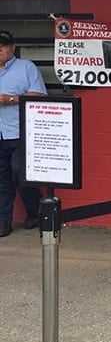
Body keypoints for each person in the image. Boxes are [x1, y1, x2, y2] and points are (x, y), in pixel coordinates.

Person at [0, 30, 48, 236]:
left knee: (21, 173)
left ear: (12, 48)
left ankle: (33, 211)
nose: (0, 50)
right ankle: (4, 222)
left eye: (3, 46)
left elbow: (40, 94)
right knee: (2, 180)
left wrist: (11, 99)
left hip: (20, 131)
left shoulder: (26, 67)